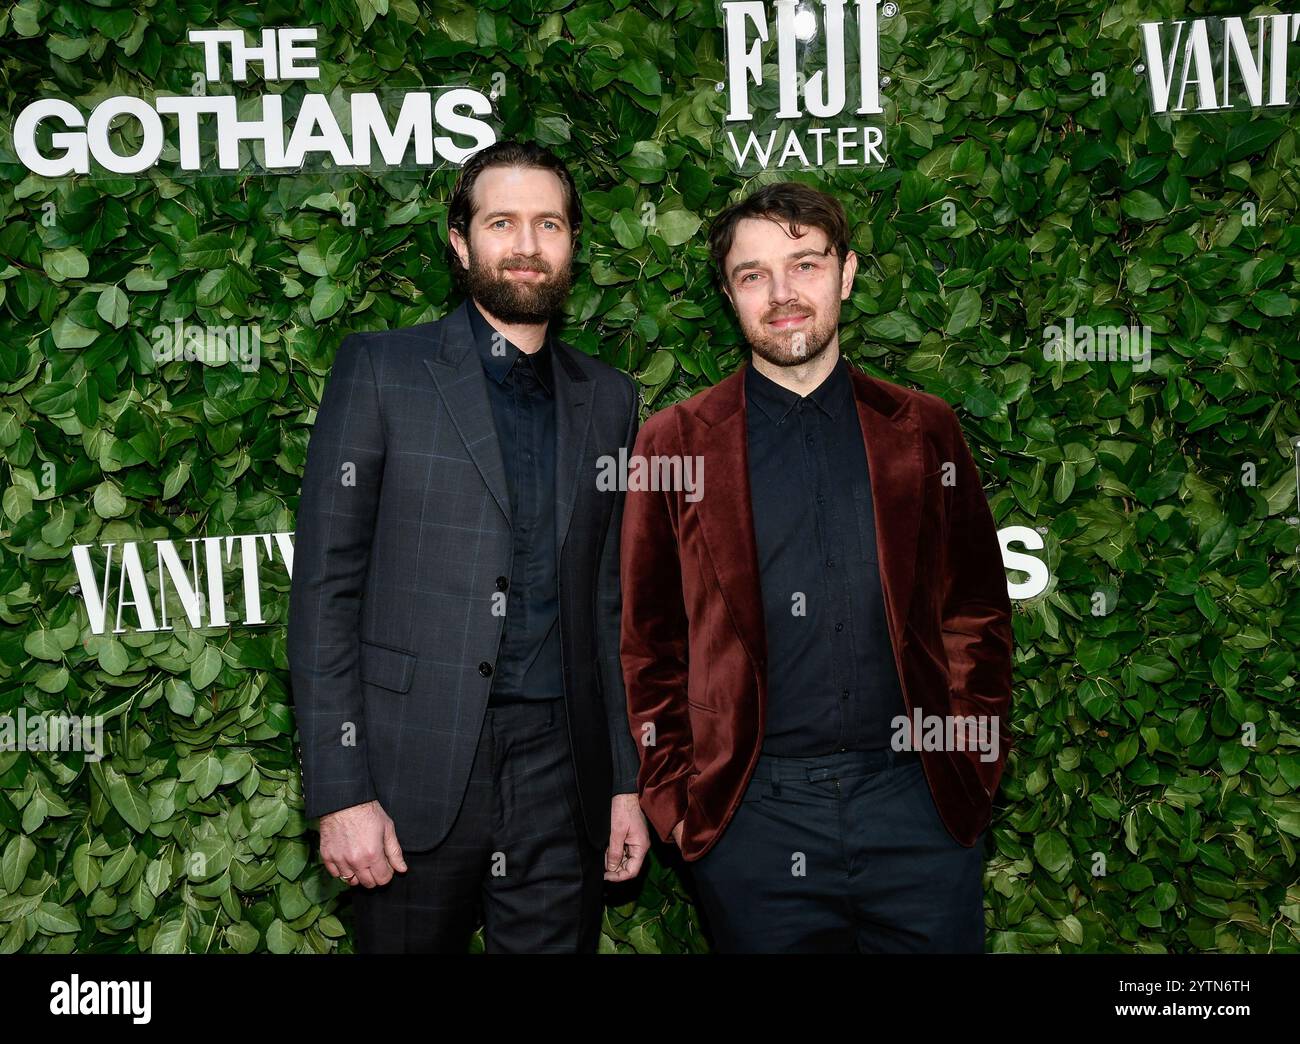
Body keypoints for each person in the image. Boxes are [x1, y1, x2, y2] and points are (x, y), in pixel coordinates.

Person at [619, 181, 1014, 952]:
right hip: (753, 819)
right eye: (753, 274)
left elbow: (975, 610)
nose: (782, 294)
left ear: (848, 273)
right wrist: (679, 801)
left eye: (804, 265)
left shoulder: (923, 428)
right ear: (731, 294)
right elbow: (648, 641)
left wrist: (969, 762)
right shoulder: (673, 444)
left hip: (919, 805)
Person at [289, 140, 649, 953]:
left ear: (572, 244)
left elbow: (608, 607)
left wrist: (624, 783)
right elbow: (324, 595)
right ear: (460, 242)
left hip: (564, 775)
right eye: (501, 222)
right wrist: (341, 793)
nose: (526, 244)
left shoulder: (610, 399)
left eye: (548, 223)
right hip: (410, 767)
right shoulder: (382, 369)